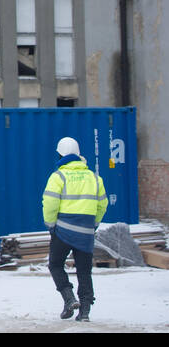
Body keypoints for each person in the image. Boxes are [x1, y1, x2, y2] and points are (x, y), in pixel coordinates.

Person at [42, 137, 107, 321]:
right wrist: (93, 224)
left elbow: (50, 203)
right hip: (86, 232)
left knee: (55, 264)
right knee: (84, 271)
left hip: (63, 231)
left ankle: (69, 298)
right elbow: (103, 205)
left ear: (60, 154)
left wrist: (51, 225)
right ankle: (84, 311)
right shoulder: (94, 177)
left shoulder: (58, 176)